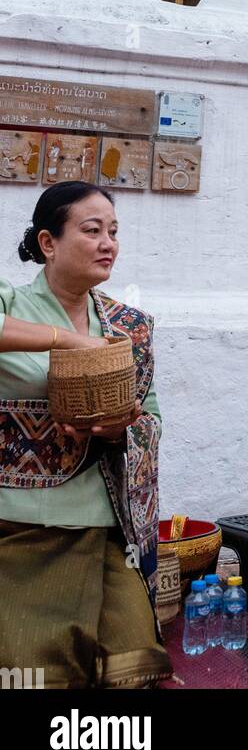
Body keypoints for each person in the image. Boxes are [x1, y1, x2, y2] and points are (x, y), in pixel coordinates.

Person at [0, 181, 172, 689]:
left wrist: (124, 427)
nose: (108, 243)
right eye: (92, 230)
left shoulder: (128, 325)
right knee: (35, 671)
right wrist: (67, 341)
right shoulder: (12, 301)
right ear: (49, 243)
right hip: (19, 524)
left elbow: (152, 414)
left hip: (102, 521)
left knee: (131, 666)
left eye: (113, 232)